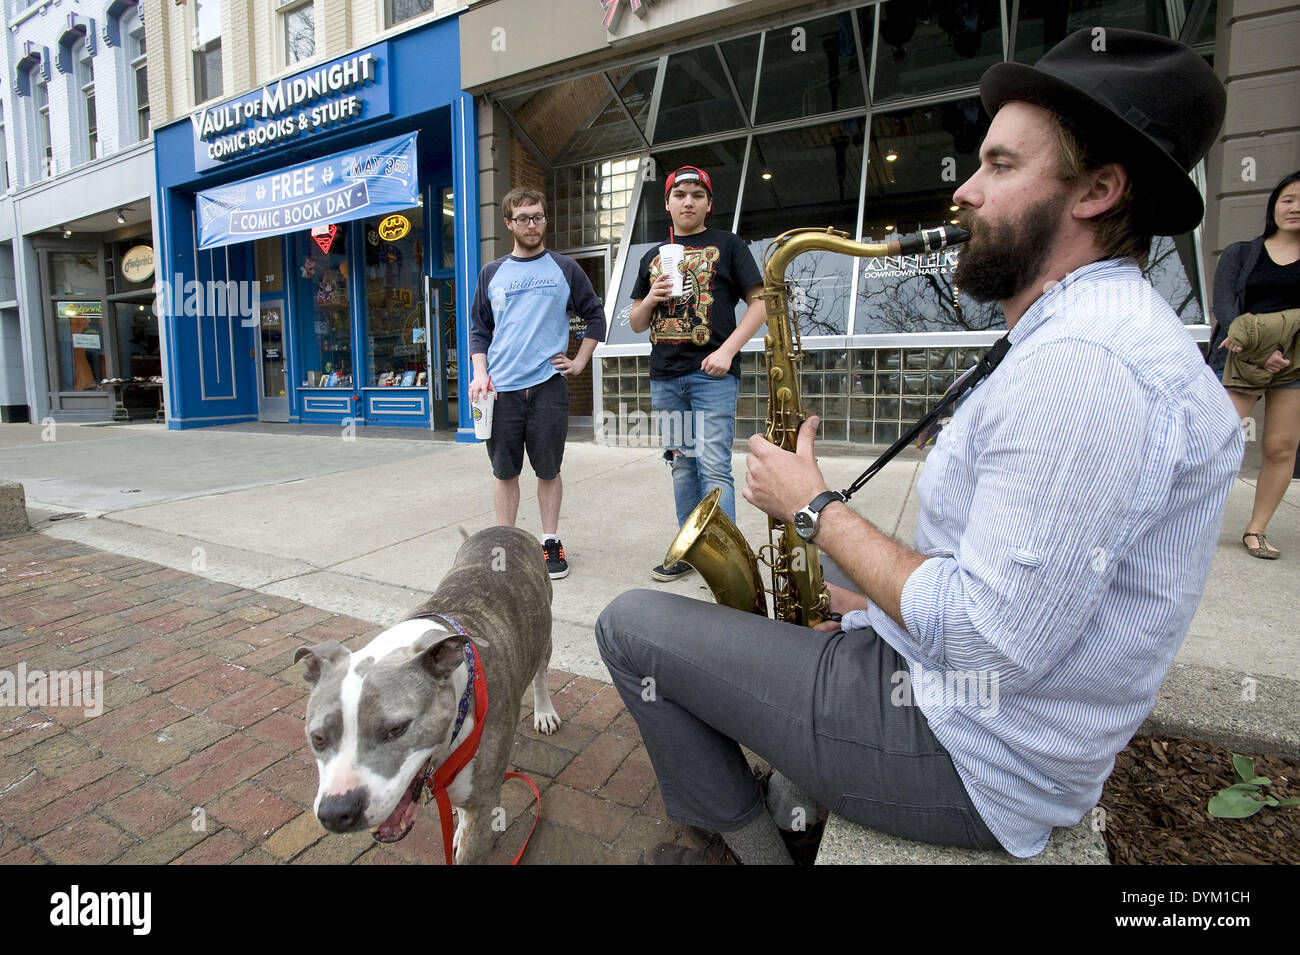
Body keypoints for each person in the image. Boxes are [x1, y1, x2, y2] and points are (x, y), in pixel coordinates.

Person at [596, 28, 1243, 863]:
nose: (965, 191)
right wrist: (854, 597)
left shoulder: (1087, 366)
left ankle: (751, 850)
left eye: (1002, 166)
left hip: (964, 756)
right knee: (819, 578)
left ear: (1099, 190)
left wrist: (815, 508)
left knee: (629, 624)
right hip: (983, 715)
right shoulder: (1088, 327)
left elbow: (987, 643)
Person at [628, 166, 769, 581]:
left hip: (712, 377)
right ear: (667, 202)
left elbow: (759, 303)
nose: (688, 201)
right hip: (666, 377)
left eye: (697, 195)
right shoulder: (652, 256)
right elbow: (636, 323)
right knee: (682, 465)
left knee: (713, 466)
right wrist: (651, 297)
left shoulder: (728, 245)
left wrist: (727, 351)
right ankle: (689, 552)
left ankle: (727, 565)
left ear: (709, 203)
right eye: (680, 194)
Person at [468, 186, 607, 579]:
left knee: (548, 470)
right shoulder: (492, 273)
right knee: (504, 472)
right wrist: (481, 374)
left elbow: (595, 317)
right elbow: (479, 329)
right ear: (509, 223)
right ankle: (506, 547)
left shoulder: (565, 269)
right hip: (501, 390)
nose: (533, 224)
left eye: (539, 217)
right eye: (524, 218)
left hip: (548, 386)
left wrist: (579, 361)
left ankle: (550, 541)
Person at [1211, 170, 1300, 559]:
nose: (1295, 208)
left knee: (1281, 447)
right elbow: (1226, 309)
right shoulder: (1241, 253)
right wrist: (1261, 351)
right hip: (1239, 357)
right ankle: (1190, 523)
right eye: (1288, 199)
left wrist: (1284, 354)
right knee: (1215, 444)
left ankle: (1256, 529)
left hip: (1293, 364)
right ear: (1274, 206)